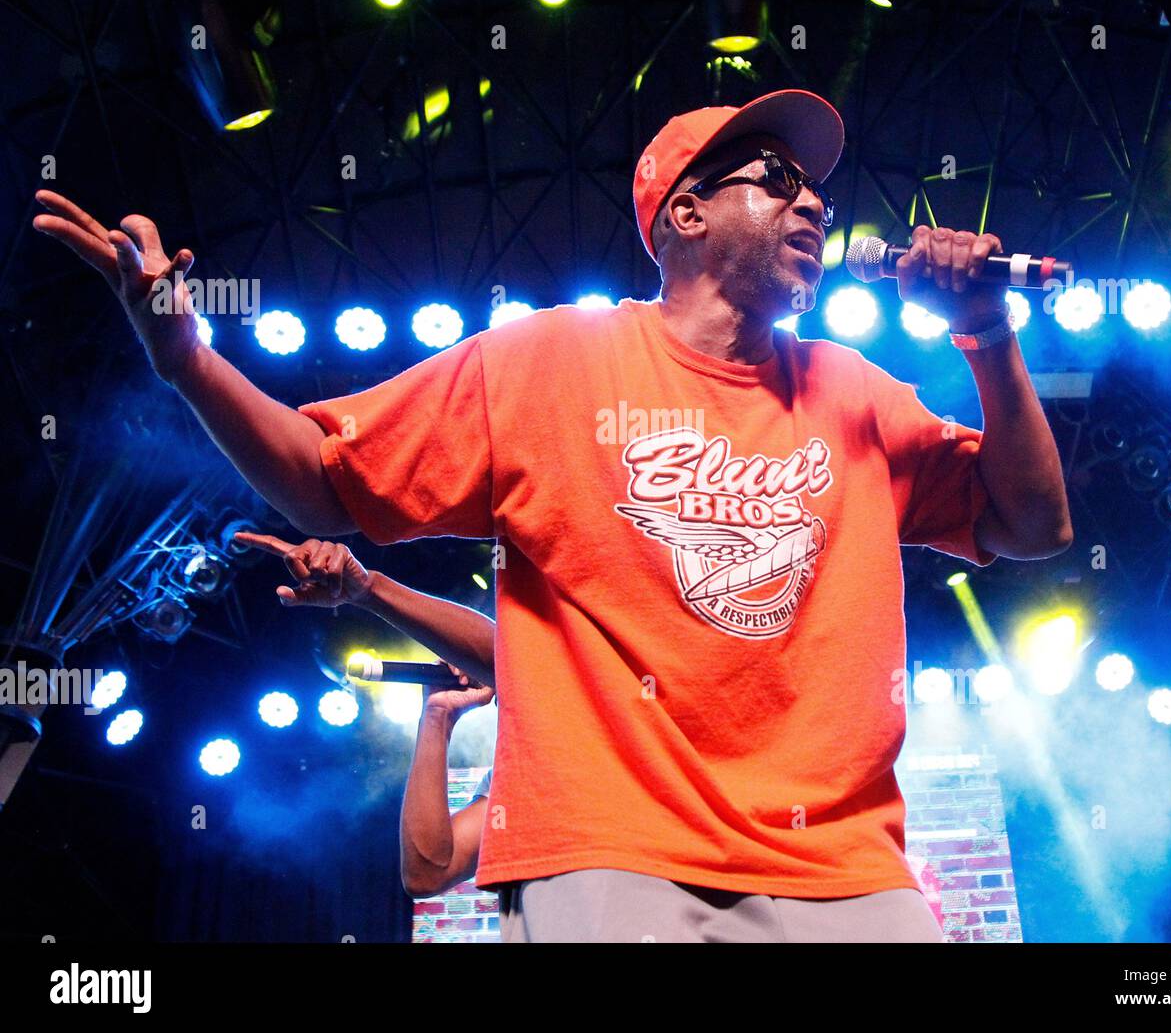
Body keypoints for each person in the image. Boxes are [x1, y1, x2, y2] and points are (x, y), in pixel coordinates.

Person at [32, 88, 1072, 942]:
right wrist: (185, 358)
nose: (813, 207)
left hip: (848, 867)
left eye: (818, 193)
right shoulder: (545, 363)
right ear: (686, 214)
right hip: (612, 852)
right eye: (778, 180)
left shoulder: (857, 392)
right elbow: (319, 475)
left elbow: (1032, 526)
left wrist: (985, 329)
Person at [233, 530, 496, 900]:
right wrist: (436, 716)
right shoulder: (518, 780)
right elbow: (427, 872)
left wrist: (368, 590)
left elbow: (506, 659)